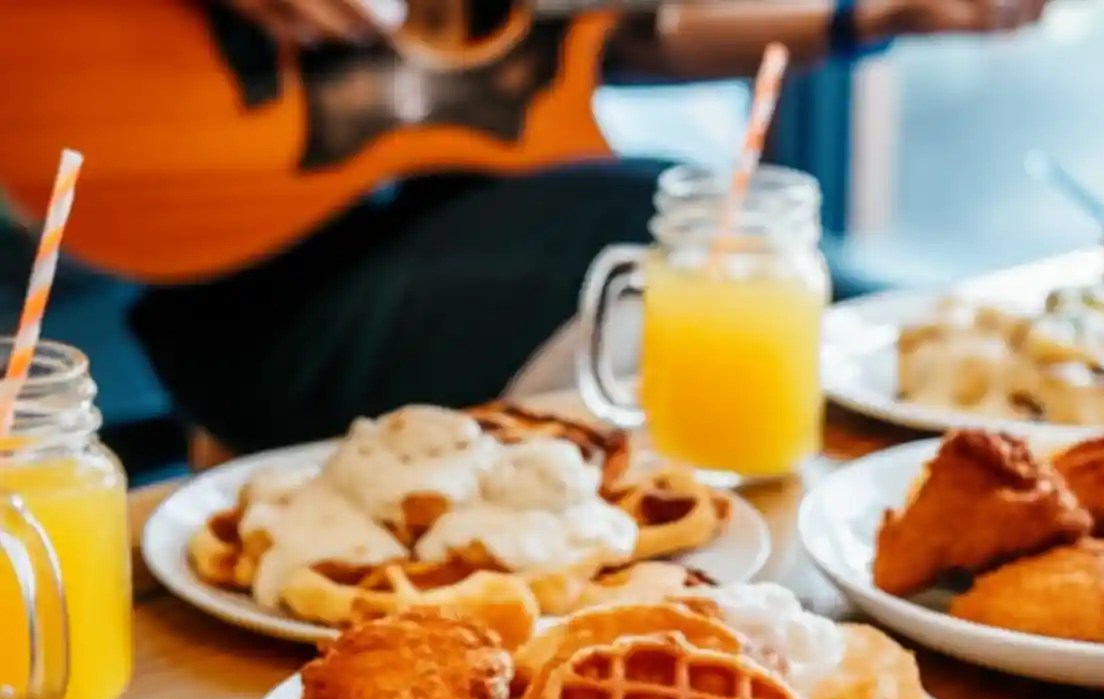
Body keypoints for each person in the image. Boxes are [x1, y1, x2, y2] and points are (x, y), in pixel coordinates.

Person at [122, 0, 1048, 459]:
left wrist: (874, 13)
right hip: (237, 276)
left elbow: (615, 31)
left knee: (738, 261)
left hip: (446, 217)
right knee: (651, 226)